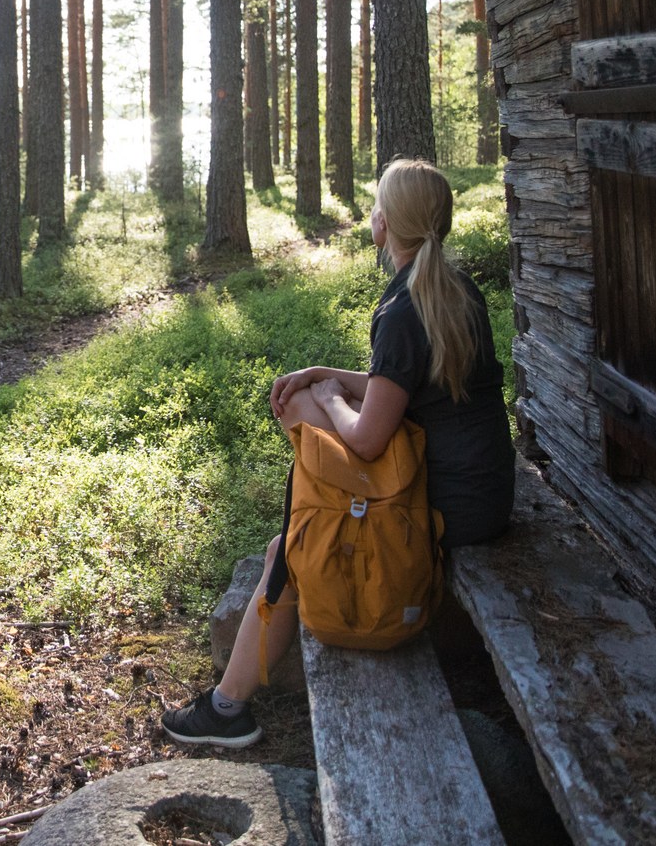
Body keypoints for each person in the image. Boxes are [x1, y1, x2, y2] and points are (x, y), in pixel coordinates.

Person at [161, 158, 515, 749]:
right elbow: (401, 386)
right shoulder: (454, 288)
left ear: (385, 224)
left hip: (445, 503)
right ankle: (308, 529)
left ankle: (227, 710)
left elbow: (369, 437)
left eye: (378, 204)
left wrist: (325, 396)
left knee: (292, 539)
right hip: (483, 491)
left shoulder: (404, 311)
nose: (373, 212)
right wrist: (327, 374)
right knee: (306, 423)